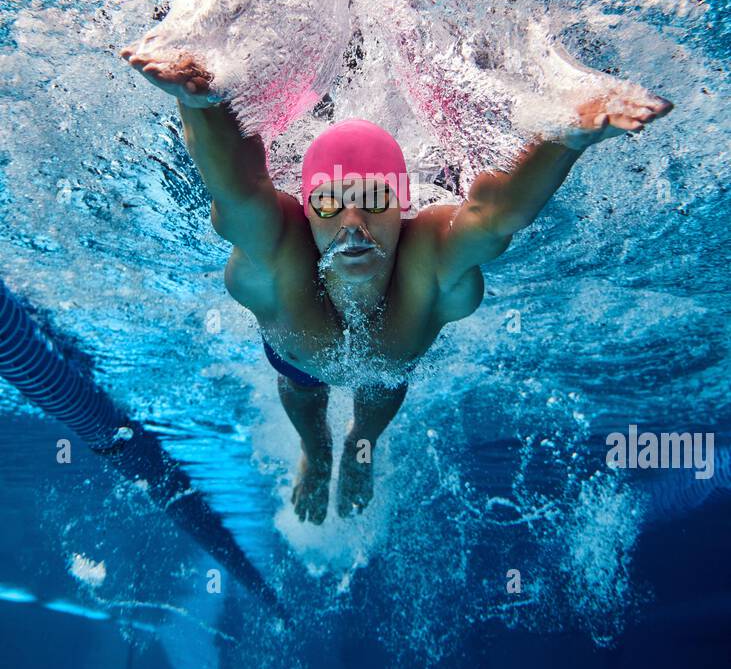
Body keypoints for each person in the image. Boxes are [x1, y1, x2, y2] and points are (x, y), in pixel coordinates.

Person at [121, 41, 672, 524]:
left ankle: (361, 444)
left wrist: (568, 135)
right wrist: (202, 102)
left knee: (379, 390)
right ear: (308, 208)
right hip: (301, 362)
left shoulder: (427, 257)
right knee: (306, 396)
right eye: (331, 202)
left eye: (376, 200)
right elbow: (238, 191)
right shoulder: (280, 251)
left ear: (403, 206)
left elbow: (493, 216)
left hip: (388, 368)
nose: (353, 224)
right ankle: (316, 454)